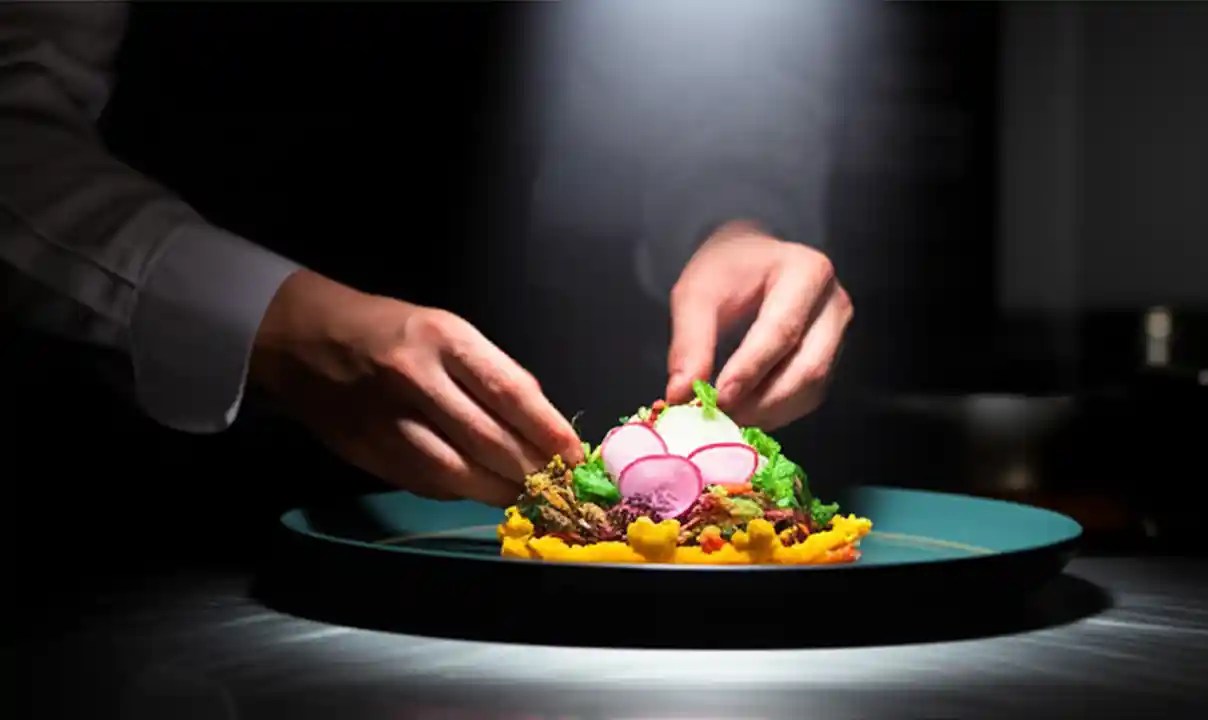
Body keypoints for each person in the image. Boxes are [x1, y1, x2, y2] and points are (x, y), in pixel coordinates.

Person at [0, 1, 853, 508]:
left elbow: (714, 78)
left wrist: (736, 216)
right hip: (116, 486)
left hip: (495, 476)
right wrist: (270, 324)